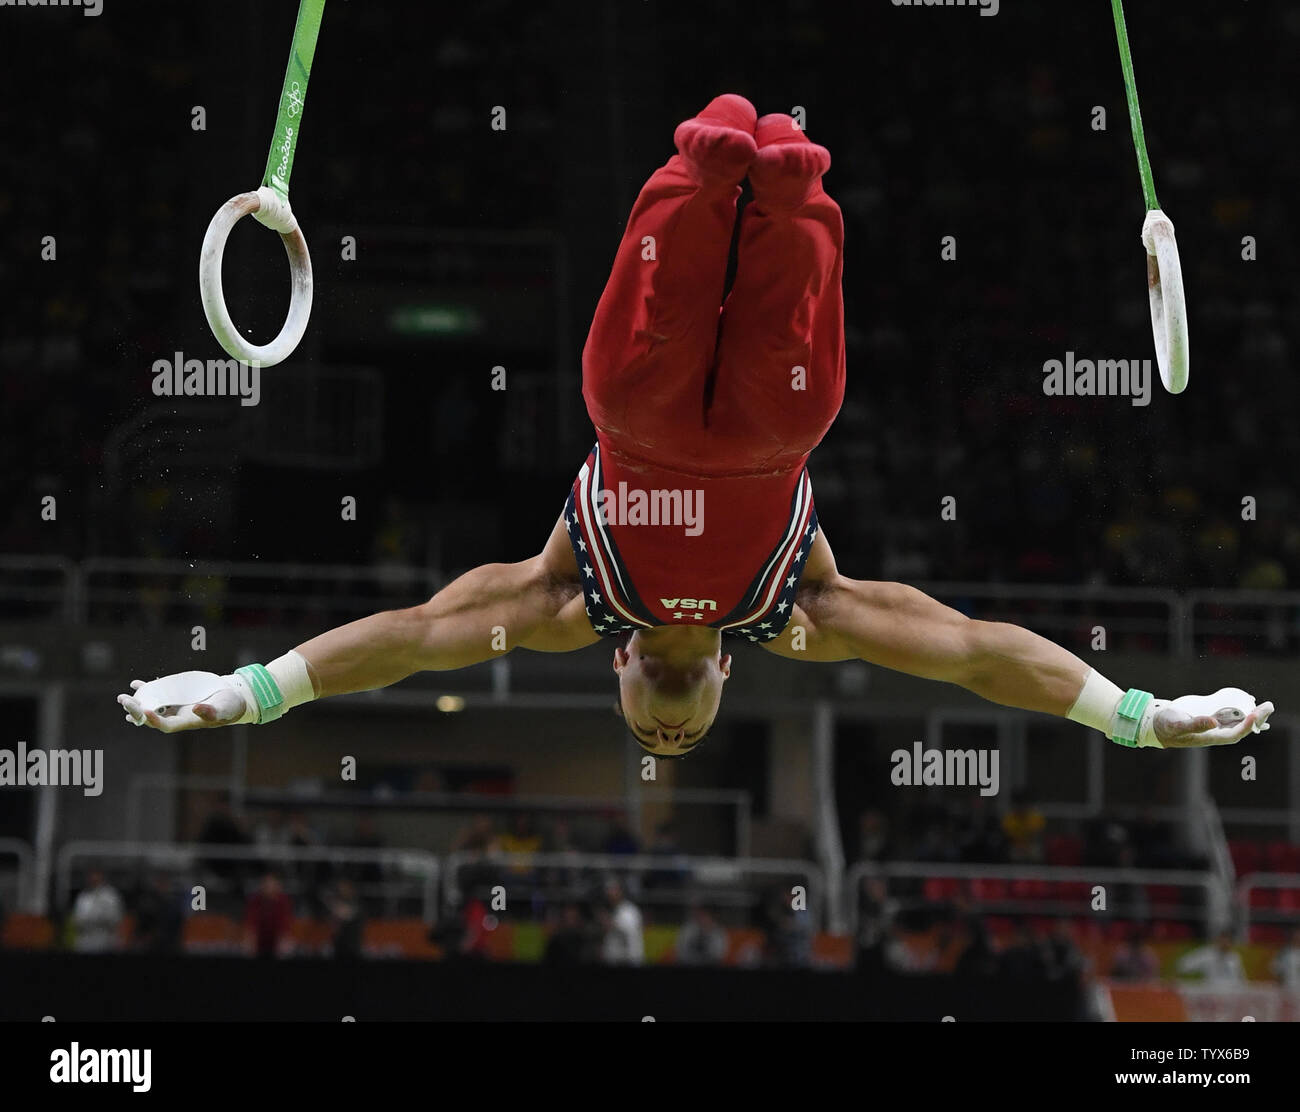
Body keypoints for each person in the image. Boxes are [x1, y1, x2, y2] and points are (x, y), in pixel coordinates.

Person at [118, 95, 1273, 760]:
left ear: (622, 672)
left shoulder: (572, 606)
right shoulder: (798, 611)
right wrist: (1135, 712)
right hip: (778, 431)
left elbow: (415, 635)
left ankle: (703, 164)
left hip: (641, 421)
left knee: (641, 335)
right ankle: (788, 196)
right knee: (798, 291)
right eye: (689, 733)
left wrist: (251, 688)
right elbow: (975, 653)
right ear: (724, 674)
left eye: (648, 734)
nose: (667, 727)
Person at [71, 869, 124, 953]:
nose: (93, 879)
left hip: (104, 940)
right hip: (85, 940)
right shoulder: (83, 897)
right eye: (91, 876)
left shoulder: (110, 896)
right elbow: (77, 919)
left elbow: (116, 918)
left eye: (96, 876)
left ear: (102, 877)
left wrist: (98, 919)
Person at [1175, 930, 1246, 985]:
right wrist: (1179, 975)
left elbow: (1241, 979)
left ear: (1231, 943)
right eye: (1223, 940)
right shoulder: (1207, 954)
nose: (1225, 943)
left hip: (1230, 996)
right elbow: (1183, 964)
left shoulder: (1234, 957)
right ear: (1218, 940)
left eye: (1228, 941)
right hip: (1212, 994)